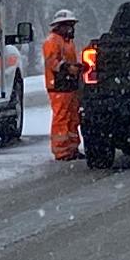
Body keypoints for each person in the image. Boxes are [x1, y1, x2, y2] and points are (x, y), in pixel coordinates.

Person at [42, 9, 84, 161]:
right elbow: (52, 62)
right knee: (61, 118)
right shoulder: (52, 41)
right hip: (58, 85)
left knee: (73, 118)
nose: (72, 29)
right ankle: (61, 151)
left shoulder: (68, 42)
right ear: (60, 26)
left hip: (69, 85)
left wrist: (78, 67)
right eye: (69, 25)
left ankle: (72, 148)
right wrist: (68, 68)